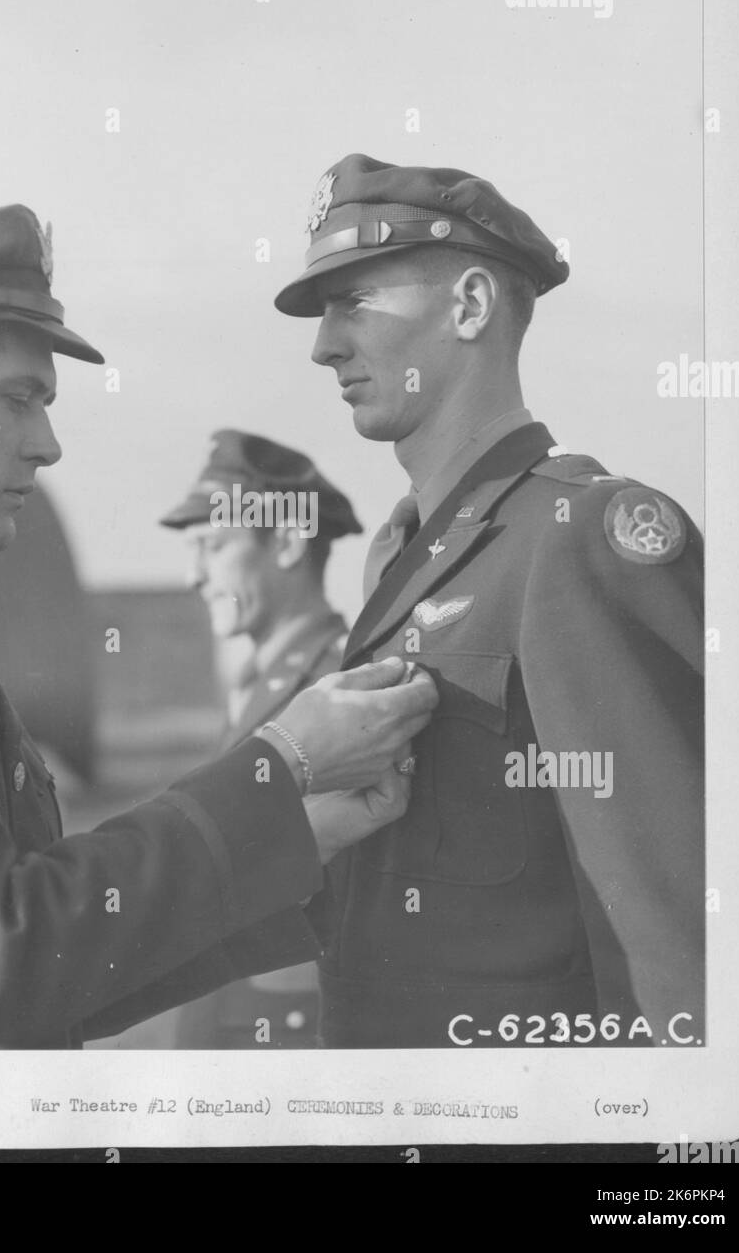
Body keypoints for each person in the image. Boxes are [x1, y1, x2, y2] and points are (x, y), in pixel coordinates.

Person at [0, 203, 438, 1050]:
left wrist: (302, 841)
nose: (48, 446)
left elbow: (50, 981)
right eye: (19, 398)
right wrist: (281, 765)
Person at [273, 154, 704, 1049]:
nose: (324, 345)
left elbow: (672, 924)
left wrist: (677, 1176)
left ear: (469, 307)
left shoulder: (579, 538)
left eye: (355, 300)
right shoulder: (399, 555)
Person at [160, 428, 361, 1046]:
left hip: (283, 1026)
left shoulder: (335, 690)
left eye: (214, 546)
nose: (195, 576)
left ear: (287, 541)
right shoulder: (258, 682)